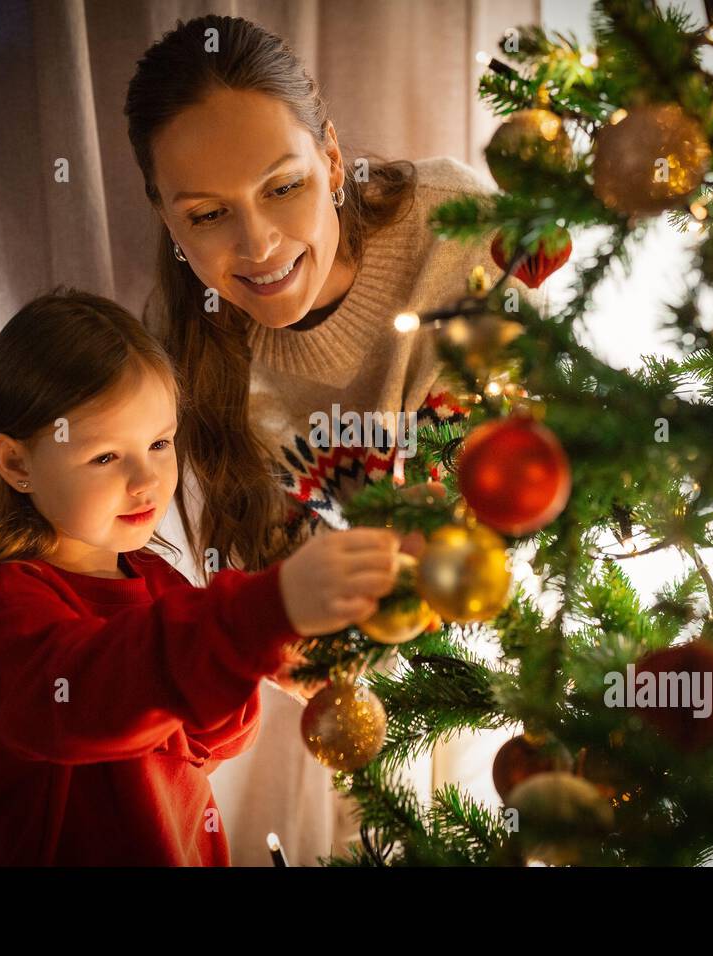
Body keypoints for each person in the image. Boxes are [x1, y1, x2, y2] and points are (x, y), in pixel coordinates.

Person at [124, 14, 539, 864]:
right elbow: (251, 595)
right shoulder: (184, 351)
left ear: (333, 161)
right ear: (165, 216)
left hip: (516, 635)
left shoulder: (451, 228)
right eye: (207, 215)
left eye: (283, 187)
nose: (259, 245)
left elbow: (543, 447)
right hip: (356, 700)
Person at [0, 289, 401, 865]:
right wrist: (255, 614)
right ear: (17, 464)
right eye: (105, 457)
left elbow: (206, 742)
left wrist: (256, 658)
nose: (146, 480)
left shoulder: (155, 578)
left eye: (159, 443)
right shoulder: (2, 602)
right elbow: (94, 697)